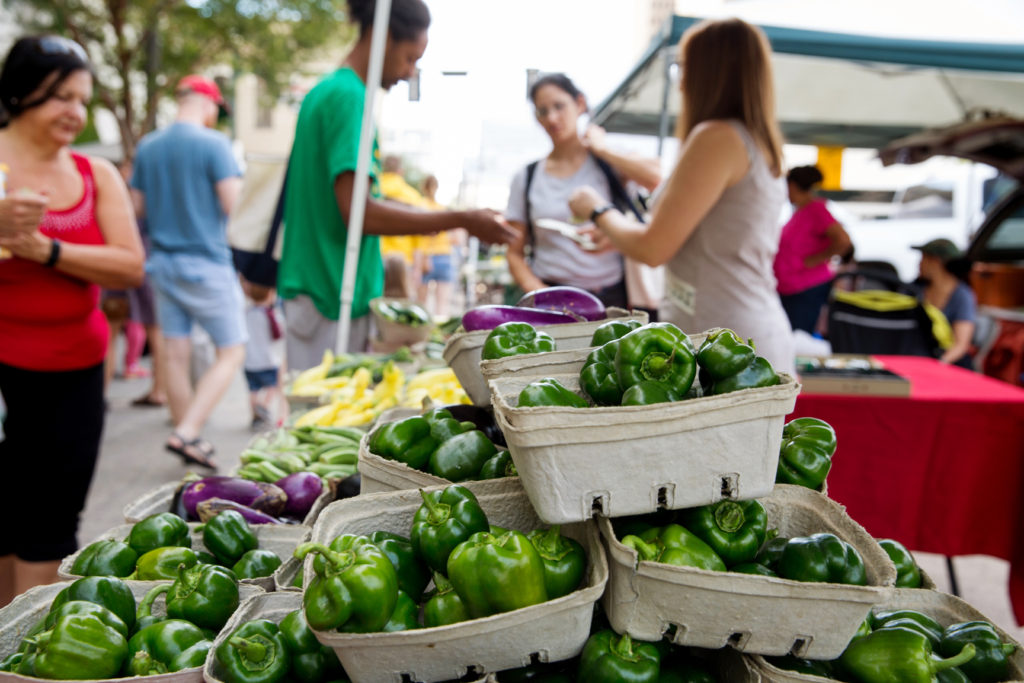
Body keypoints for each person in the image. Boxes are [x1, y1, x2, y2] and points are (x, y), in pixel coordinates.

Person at [277, 0, 516, 371]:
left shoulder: (328, 90)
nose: (409, 73)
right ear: (383, 37)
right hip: (329, 292)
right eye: (410, 58)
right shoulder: (349, 98)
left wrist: (449, 216)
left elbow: (359, 200)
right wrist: (462, 220)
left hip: (318, 289)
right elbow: (360, 213)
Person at [0, 35, 144, 604]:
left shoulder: (94, 172)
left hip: (73, 370)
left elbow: (130, 265)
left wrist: (48, 251)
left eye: (82, 100)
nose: (75, 113)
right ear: (20, 92)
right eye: (61, 96)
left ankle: (23, 638)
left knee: (51, 520)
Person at [568, 18, 796, 375]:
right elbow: (697, 235)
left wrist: (596, 208)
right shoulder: (748, 139)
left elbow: (653, 248)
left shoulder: (717, 137)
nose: (681, 81)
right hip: (733, 334)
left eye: (683, 67)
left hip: (727, 342)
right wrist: (617, 235)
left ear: (709, 72)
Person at [131, 73, 245, 469]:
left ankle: (188, 438)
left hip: (162, 263)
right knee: (232, 351)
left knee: (175, 354)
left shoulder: (148, 146)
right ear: (207, 102)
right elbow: (234, 207)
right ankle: (188, 430)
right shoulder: (215, 144)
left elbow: (137, 208)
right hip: (207, 263)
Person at [506, 73, 661, 309]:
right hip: (552, 296)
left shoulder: (607, 160)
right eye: (543, 111)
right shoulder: (526, 176)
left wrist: (602, 149)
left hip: (612, 297)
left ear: (579, 104)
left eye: (559, 106)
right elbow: (514, 252)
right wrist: (542, 296)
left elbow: (656, 177)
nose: (552, 118)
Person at [773, 165, 852, 334]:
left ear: (792, 185)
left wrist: (815, 260)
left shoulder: (816, 209)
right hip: (790, 288)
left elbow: (843, 241)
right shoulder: (800, 211)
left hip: (805, 287)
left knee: (798, 337)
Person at [915, 238, 977, 367]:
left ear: (936, 262)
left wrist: (939, 364)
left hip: (947, 361)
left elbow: (961, 345)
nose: (919, 264)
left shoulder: (962, 296)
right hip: (917, 357)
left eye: (923, 258)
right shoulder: (914, 289)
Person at [415, 174, 462, 318]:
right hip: (444, 257)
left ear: (423, 187)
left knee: (420, 305)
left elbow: (419, 237)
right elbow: (457, 239)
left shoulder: (419, 207)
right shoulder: (443, 210)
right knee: (442, 305)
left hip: (425, 257)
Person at [241, 279, 285, 430]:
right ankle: (263, 406)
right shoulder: (270, 314)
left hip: (249, 361)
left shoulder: (246, 312)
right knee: (272, 386)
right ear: (270, 294)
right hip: (267, 360)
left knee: (253, 389)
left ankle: (255, 414)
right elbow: (278, 334)